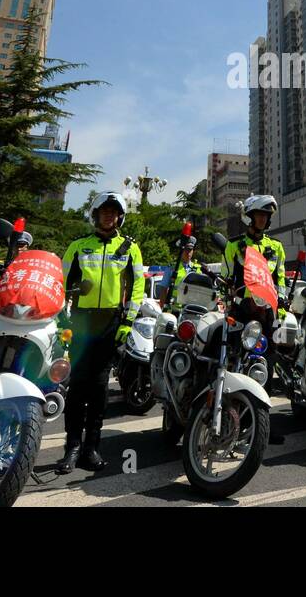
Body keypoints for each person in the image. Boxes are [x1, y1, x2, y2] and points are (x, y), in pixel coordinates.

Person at [56, 191, 145, 474]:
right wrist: (62, 320)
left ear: (120, 216)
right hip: (82, 322)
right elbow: (61, 285)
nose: (109, 215)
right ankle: (71, 448)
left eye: (113, 211)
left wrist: (127, 323)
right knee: (77, 386)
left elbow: (138, 288)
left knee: (99, 388)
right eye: (104, 211)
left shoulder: (130, 249)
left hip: (111, 323)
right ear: (95, 215)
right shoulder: (78, 247)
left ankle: (92, 447)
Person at [222, 194, 287, 301]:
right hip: (242, 306)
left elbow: (280, 278)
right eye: (259, 214)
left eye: (266, 215)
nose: (263, 219)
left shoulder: (276, 246)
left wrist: (281, 298)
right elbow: (226, 278)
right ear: (249, 217)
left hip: (269, 305)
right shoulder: (233, 245)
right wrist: (227, 302)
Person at [160, 235, 198, 313]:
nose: (188, 253)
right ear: (181, 251)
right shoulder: (172, 268)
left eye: (190, 250)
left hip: (191, 311)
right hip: (174, 310)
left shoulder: (197, 269)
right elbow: (164, 290)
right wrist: (162, 309)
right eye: (186, 250)